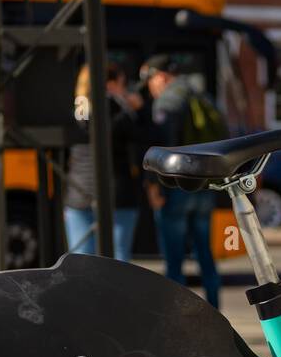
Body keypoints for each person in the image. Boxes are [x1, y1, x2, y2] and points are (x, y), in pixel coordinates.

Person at [140, 54, 226, 308]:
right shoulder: (202, 96)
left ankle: (175, 316)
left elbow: (159, 147)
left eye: (151, 80)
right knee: (205, 256)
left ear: (162, 76)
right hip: (203, 188)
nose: (150, 87)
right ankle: (215, 311)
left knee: (174, 261)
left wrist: (152, 184)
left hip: (176, 188)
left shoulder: (167, 101)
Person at [63, 62, 143, 262]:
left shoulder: (77, 107)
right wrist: (133, 109)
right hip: (116, 191)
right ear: (111, 83)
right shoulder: (115, 107)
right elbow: (136, 138)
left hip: (78, 191)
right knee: (118, 261)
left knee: (81, 262)